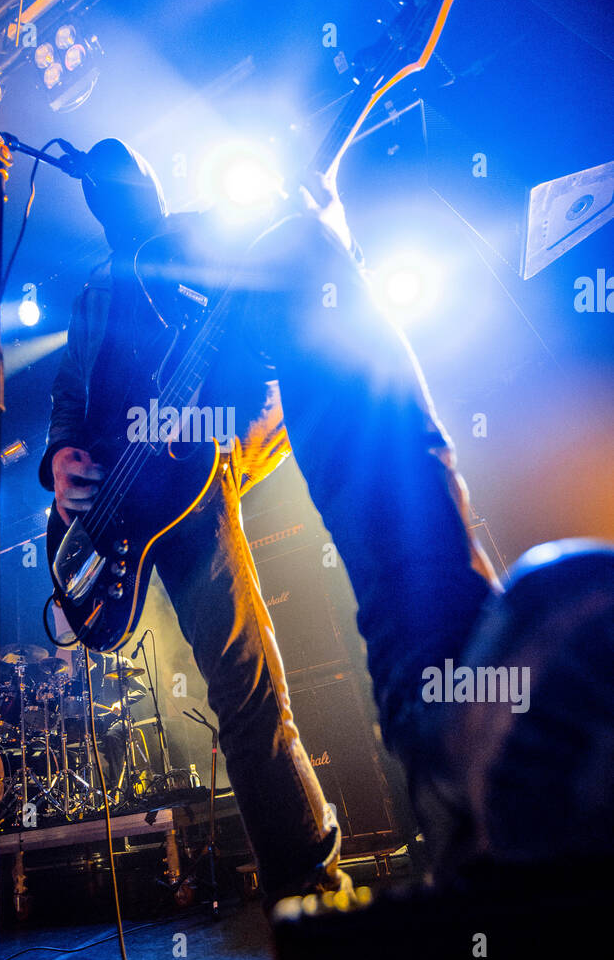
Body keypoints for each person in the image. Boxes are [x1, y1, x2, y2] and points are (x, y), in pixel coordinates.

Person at [41, 138, 612, 897]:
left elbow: (264, 315)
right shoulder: (92, 295)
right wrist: (61, 460)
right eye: (104, 189)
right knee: (240, 683)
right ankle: (308, 882)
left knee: (251, 676)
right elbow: (68, 401)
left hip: (215, 444)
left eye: (128, 177)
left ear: (151, 178)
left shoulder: (200, 231)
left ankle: (413, 795)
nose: (118, 192)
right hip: (138, 501)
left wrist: (314, 245)